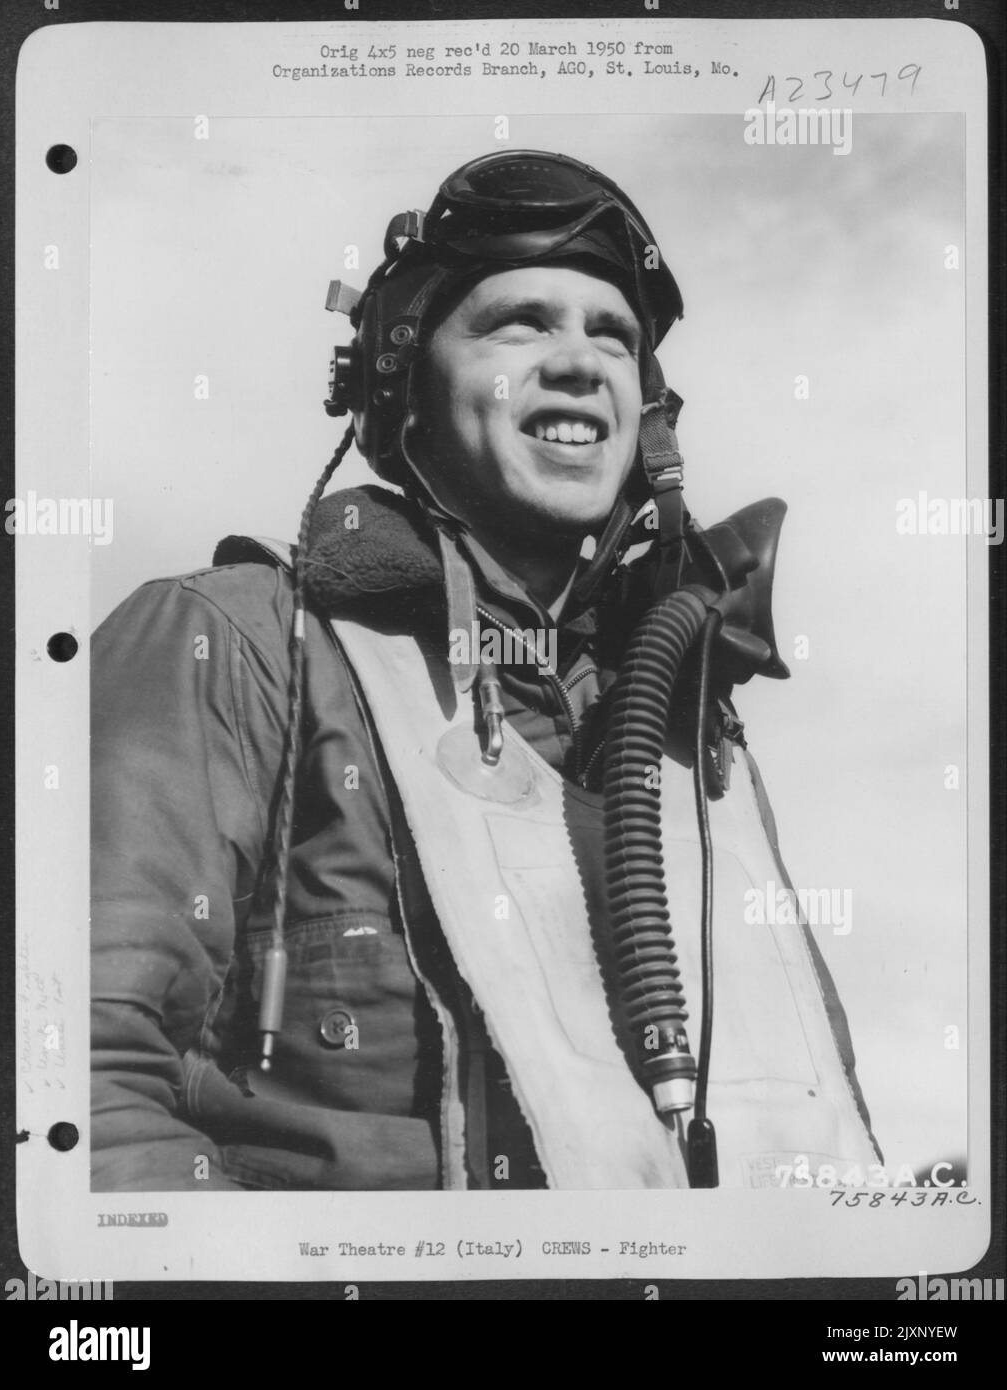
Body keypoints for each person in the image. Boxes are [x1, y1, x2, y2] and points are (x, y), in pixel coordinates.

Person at [91, 150, 879, 1192]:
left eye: (615, 336)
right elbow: (75, 1086)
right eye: (521, 323)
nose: (579, 361)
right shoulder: (236, 646)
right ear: (400, 382)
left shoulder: (696, 722)